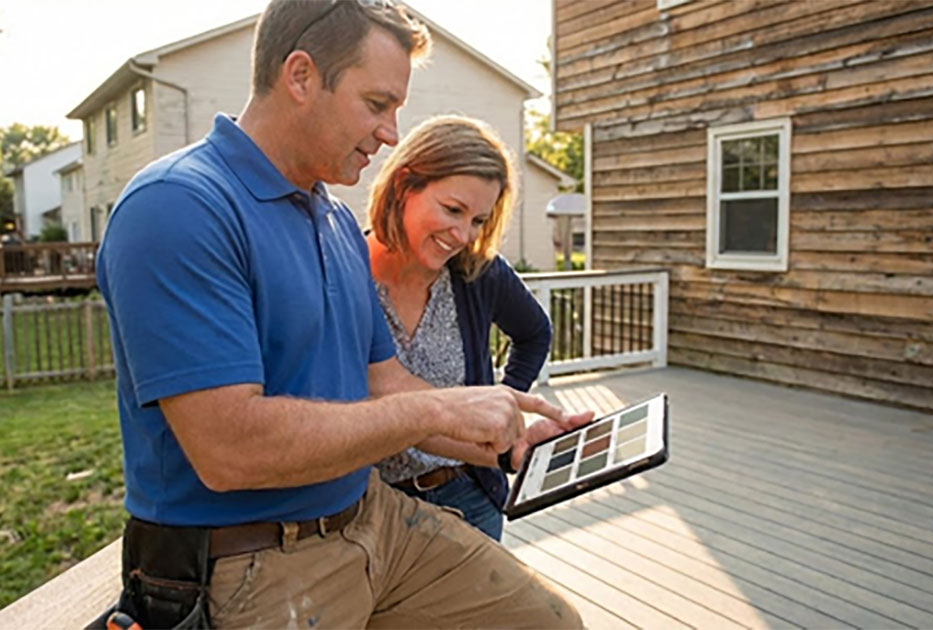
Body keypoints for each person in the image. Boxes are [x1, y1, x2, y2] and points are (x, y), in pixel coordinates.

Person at [96, 1, 591, 628]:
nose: (390, 133)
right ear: (301, 76)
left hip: (373, 514)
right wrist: (439, 406)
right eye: (377, 104)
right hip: (253, 557)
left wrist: (504, 439)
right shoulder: (179, 207)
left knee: (549, 620)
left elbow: (385, 383)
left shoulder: (332, 219)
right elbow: (228, 451)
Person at [366, 116, 549, 541]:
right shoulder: (343, 271)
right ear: (404, 185)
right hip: (372, 509)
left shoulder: (476, 274)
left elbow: (534, 333)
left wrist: (505, 398)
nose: (463, 235)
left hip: (469, 497)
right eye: (453, 210)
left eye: (478, 221)